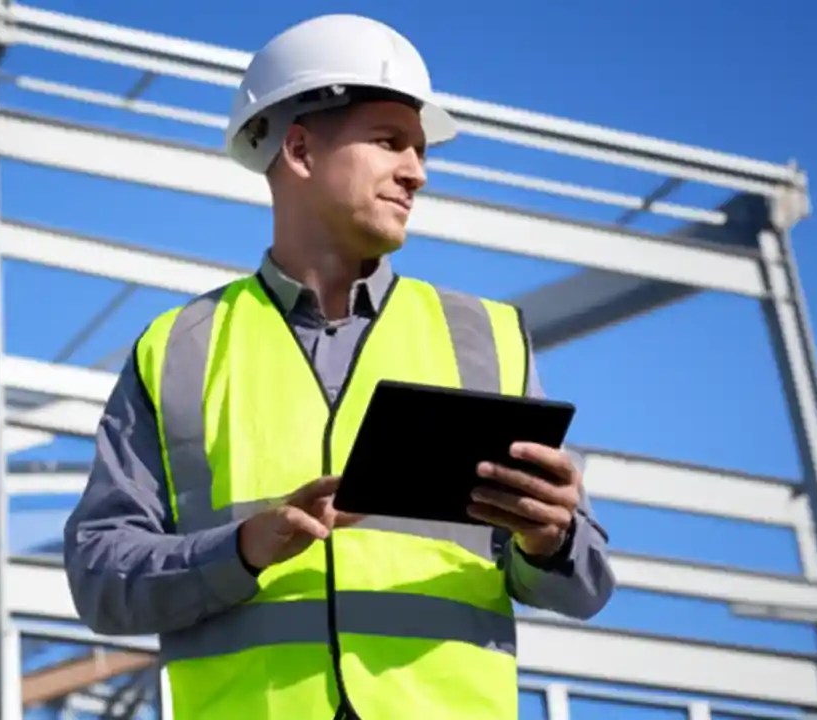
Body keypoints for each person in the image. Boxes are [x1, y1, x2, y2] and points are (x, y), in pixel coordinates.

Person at [63, 13, 615, 719]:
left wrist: (552, 538)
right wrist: (242, 548)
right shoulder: (176, 350)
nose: (417, 172)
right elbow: (101, 580)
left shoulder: (487, 338)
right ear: (298, 150)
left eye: (420, 149)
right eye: (390, 142)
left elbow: (587, 584)